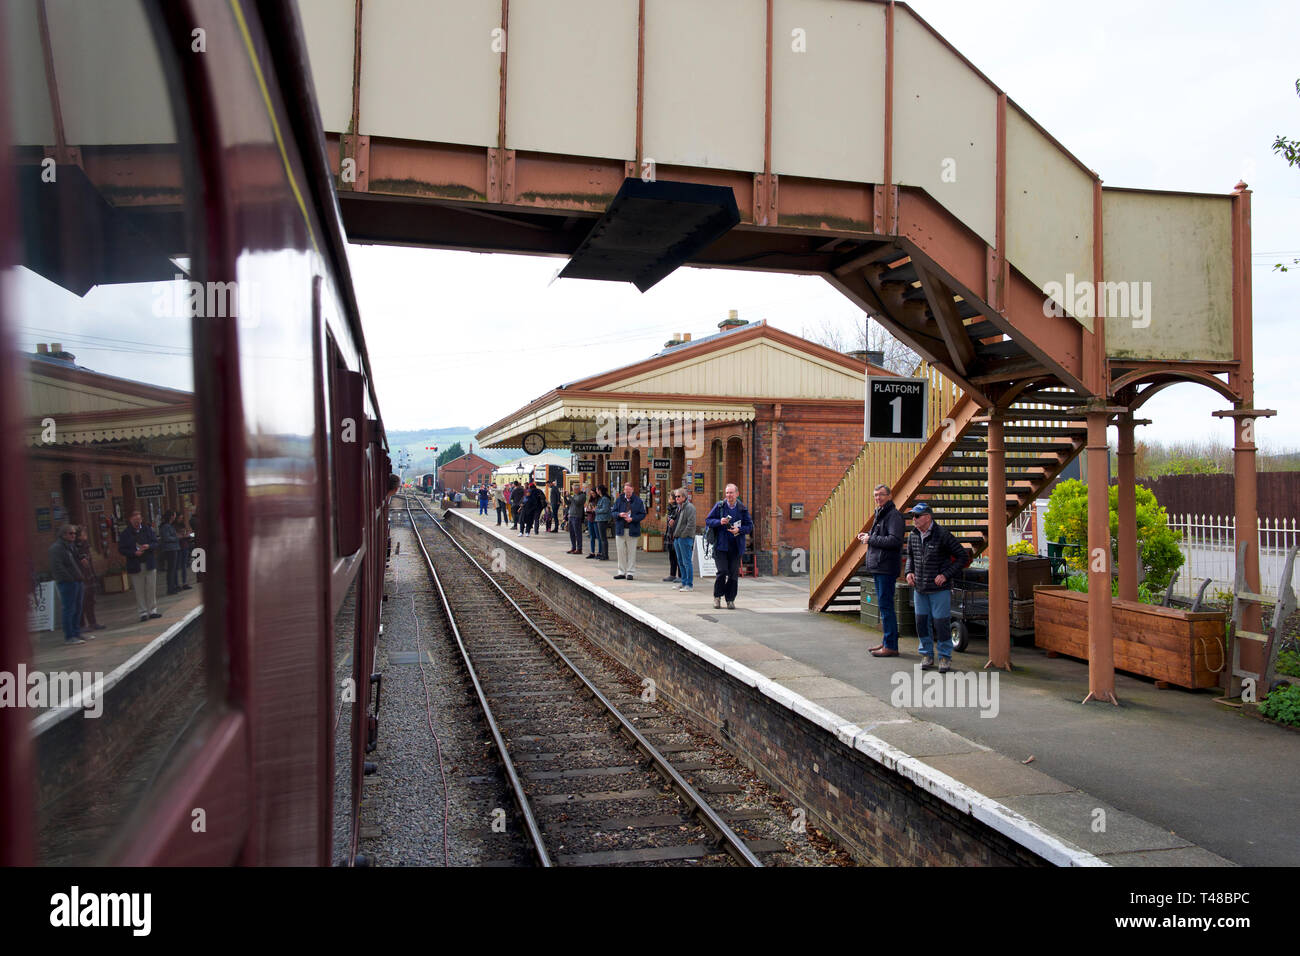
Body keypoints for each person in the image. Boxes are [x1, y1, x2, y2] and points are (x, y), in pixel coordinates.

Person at [903, 501, 969, 673]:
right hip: (920, 588)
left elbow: (962, 556)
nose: (914, 520)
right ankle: (926, 654)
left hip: (939, 589)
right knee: (921, 622)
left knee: (941, 623)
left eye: (917, 516)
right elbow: (910, 555)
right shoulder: (913, 535)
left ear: (927, 517)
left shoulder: (943, 534)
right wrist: (909, 571)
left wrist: (946, 575)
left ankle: (945, 657)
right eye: (913, 516)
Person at [857, 484, 906, 658]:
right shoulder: (881, 513)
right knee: (884, 606)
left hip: (886, 567)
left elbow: (894, 540)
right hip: (879, 566)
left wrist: (871, 539)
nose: (878, 498)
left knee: (886, 607)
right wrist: (866, 536)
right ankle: (887, 641)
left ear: (890, 496)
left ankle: (891, 645)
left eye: (881, 495)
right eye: (875, 495)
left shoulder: (894, 516)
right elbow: (879, 537)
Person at [705, 483, 752, 609]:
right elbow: (708, 520)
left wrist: (739, 530)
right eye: (727, 493)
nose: (729, 495)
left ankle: (730, 599)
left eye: (731, 493)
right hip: (721, 546)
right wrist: (719, 522)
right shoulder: (720, 506)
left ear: (737, 494)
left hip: (736, 547)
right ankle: (717, 597)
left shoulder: (742, 508)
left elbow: (750, 526)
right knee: (722, 571)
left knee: (733, 574)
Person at [118, 509, 161, 622]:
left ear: (141, 519)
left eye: (139, 519)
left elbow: (156, 543)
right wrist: (133, 553)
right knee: (139, 590)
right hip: (135, 565)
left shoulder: (148, 530)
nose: (137, 522)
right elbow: (121, 549)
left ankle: (152, 611)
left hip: (149, 563)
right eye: (135, 520)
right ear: (130, 520)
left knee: (151, 587)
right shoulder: (125, 534)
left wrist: (149, 546)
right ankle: (142, 612)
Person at [49, 524, 86, 644]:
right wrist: (69, 578)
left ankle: (77, 633)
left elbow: (75, 561)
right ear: (63, 534)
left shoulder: (71, 546)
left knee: (78, 608)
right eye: (71, 533)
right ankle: (69, 636)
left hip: (77, 580)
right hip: (68, 582)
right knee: (69, 609)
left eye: (74, 533)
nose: (73, 536)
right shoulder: (57, 548)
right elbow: (57, 566)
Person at [612, 481, 646, 580]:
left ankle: (630, 572)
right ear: (623, 490)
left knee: (631, 552)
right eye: (626, 491)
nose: (627, 493)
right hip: (620, 529)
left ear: (633, 490)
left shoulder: (638, 501)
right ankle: (621, 571)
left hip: (632, 530)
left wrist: (633, 519)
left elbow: (642, 514)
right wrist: (619, 514)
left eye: (629, 491)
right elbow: (613, 512)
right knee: (620, 551)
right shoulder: (619, 500)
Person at [74, 526, 106, 631]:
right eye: (84, 533)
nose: (86, 535)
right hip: (82, 577)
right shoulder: (76, 547)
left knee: (90, 601)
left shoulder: (85, 546)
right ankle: (81, 624)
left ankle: (93, 622)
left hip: (89, 575)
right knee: (82, 602)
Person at [671, 489, 697, 591]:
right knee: (680, 561)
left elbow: (691, 524)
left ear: (684, 497)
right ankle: (684, 582)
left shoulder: (689, 507)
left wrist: (683, 535)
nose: (676, 498)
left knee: (687, 561)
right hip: (677, 537)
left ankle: (689, 584)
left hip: (684, 538)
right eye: (676, 496)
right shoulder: (679, 507)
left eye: (678, 496)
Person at [159, 510, 181, 595]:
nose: (175, 517)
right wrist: (176, 538)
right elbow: (166, 538)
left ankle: (174, 586)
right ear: (171, 516)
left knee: (174, 569)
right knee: (171, 569)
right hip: (170, 549)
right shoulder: (166, 526)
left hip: (174, 548)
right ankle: (170, 588)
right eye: (174, 515)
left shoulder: (170, 526)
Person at [662, 492, 680, 583]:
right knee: (672, 556)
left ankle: (680, 576)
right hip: (669, 534)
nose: (669, 499)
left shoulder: (678, 509)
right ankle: (672, 574)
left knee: (678, 556)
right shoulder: (670, 509)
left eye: (670, 497)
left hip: (676, 535)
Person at [591, 484, 612, 560]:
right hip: (599, 519)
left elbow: (605, 509)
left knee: (603, 538)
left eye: (597, 490)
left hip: (602, 519)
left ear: (600, 490)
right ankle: (603, 553)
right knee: (601, 537)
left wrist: (596, 510)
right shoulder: (601, 498)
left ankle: (605, 555)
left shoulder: (605, 499)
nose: (596, 491)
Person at [566, 484, 588, 554]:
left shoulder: (582, 496)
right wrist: (565, 497)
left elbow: (577, 503)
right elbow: (569, 503)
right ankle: (573, 547)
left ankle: (579, 548)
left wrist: (569, 496)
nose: (573, 490)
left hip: (577, 516)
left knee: (577, 533)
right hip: (571, 515)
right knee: (571, 533)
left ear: (578, 489)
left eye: (574, 489)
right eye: (573, 489)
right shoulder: (574, 496)